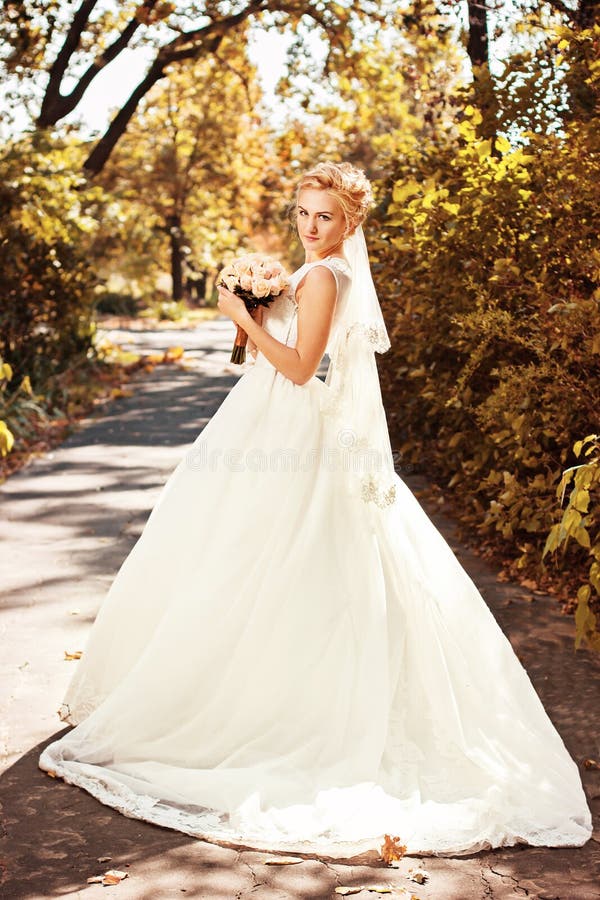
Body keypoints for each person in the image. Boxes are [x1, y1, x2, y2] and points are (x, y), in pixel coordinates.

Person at [39, 162, 592, 859]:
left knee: (272, 560)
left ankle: (266, 711)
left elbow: (301, 369)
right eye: (303, 211)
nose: (309, 225)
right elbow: (280, 360)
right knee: (251, 560)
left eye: (325, 216)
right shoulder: (314, 273)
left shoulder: (328, 276)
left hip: (296, 431)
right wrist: (259, 310)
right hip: (275, 425)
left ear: (349, 224)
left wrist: (244, 317)